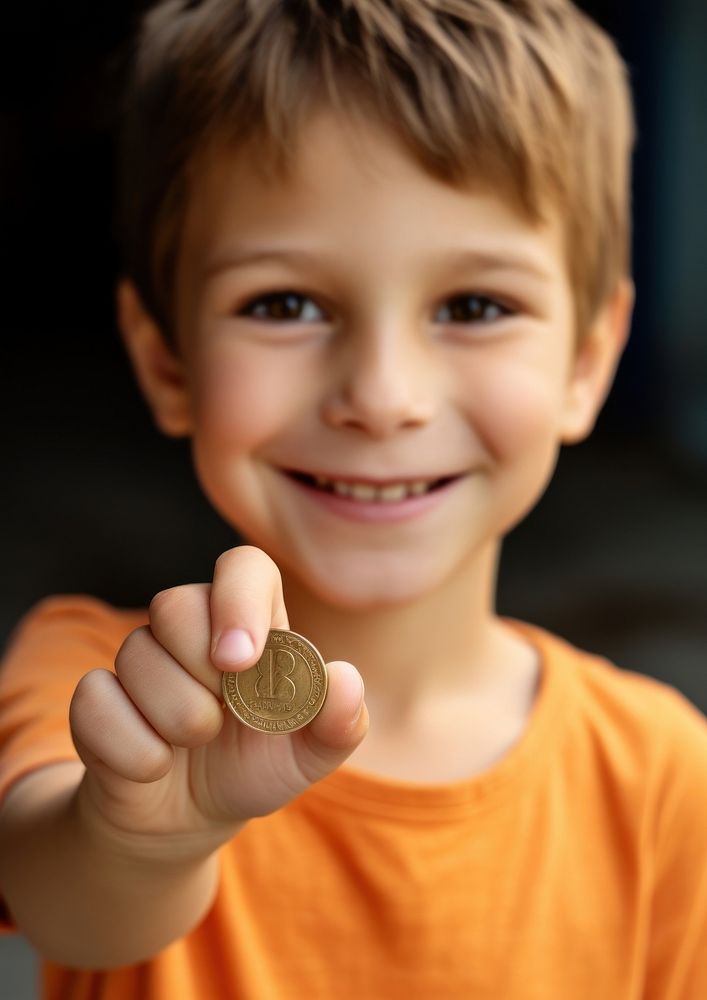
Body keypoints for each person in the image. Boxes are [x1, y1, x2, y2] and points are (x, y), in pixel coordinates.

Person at [1, 0, 706, 996]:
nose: (381, 397)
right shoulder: (105, 690)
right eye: (284, 304)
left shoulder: (668, 779)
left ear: (585, 362)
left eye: (473, 306)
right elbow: (68, 904)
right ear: (165, 360)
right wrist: (141, 839)